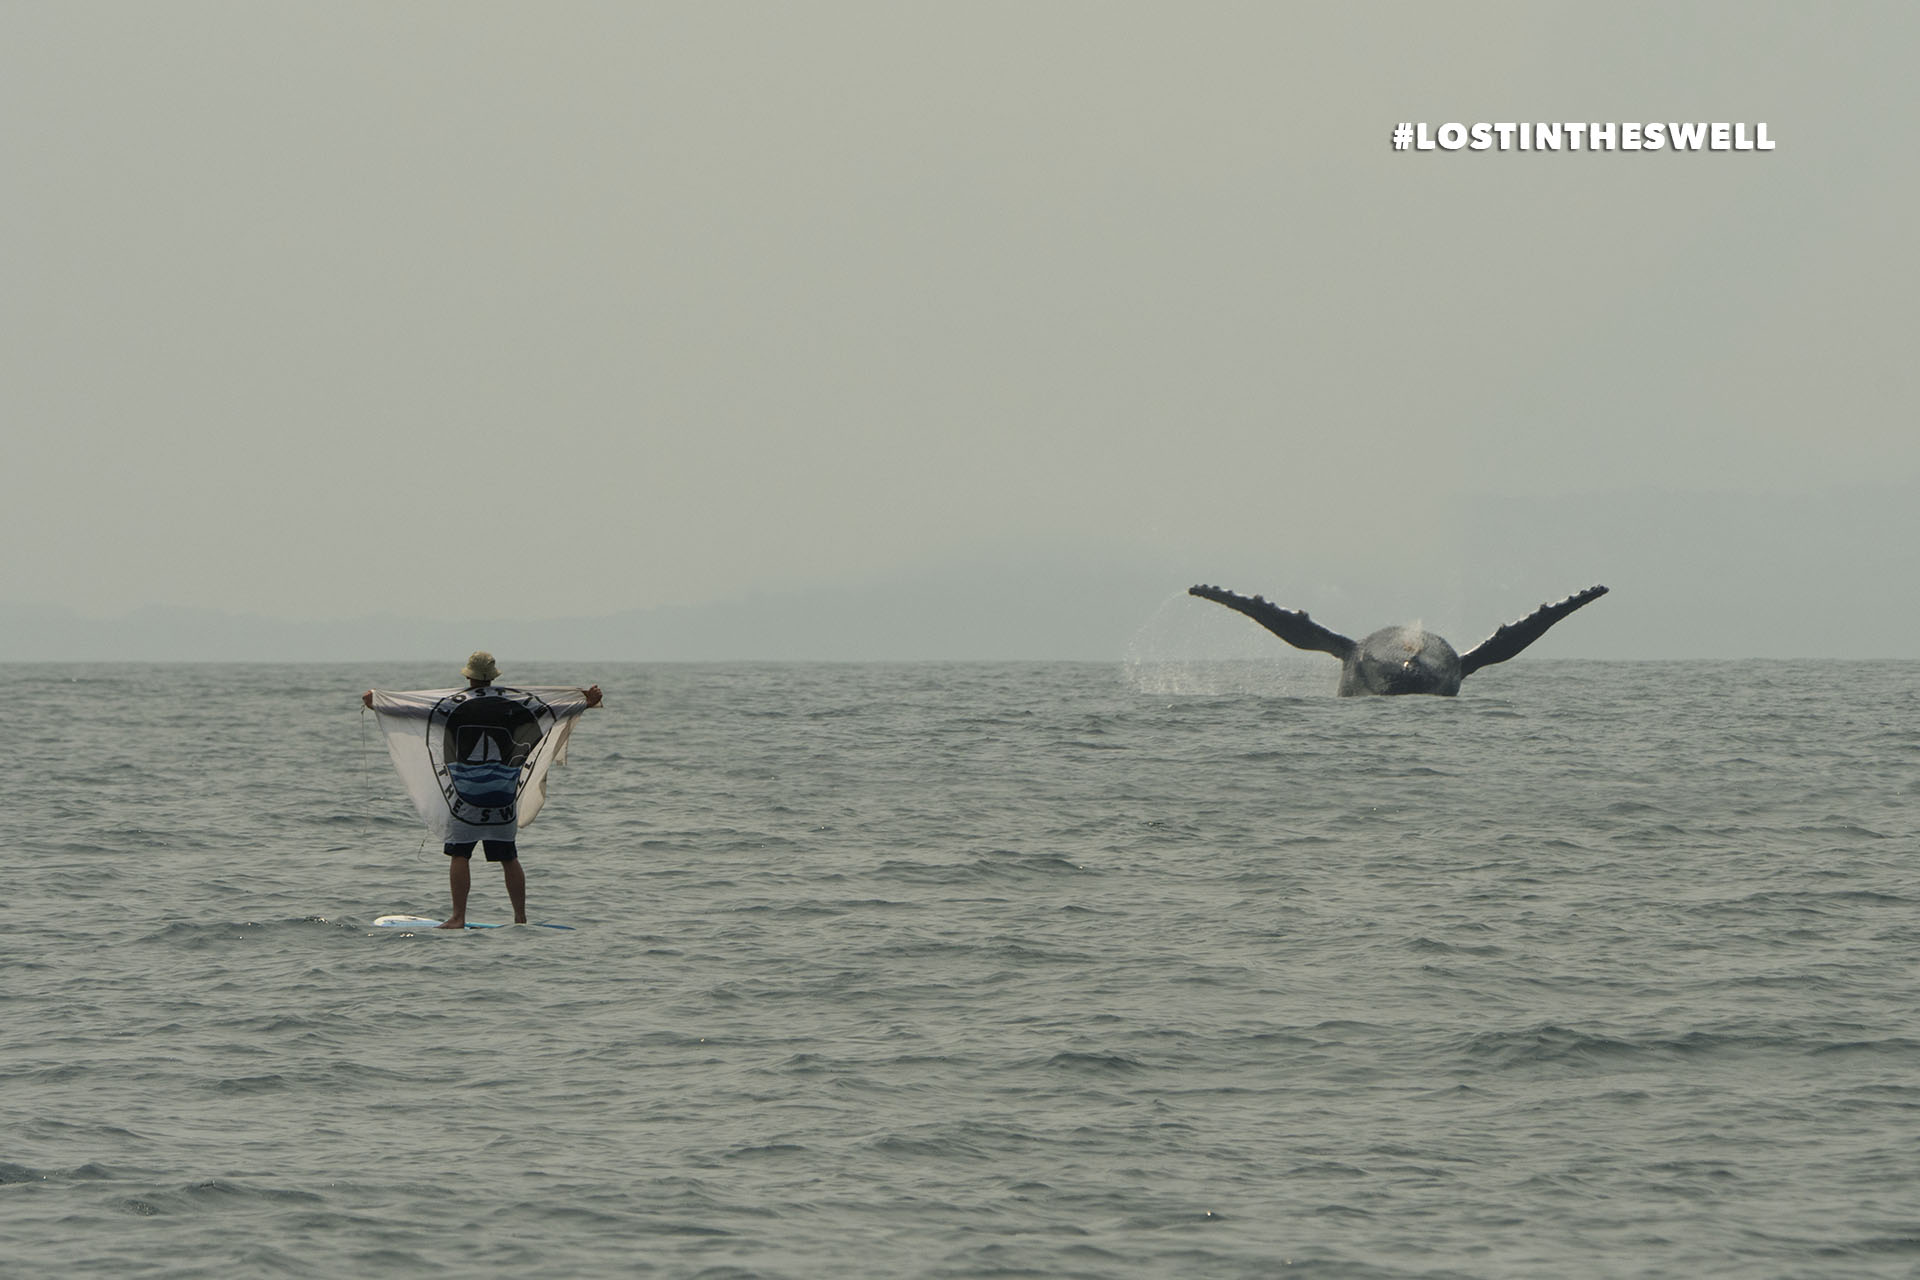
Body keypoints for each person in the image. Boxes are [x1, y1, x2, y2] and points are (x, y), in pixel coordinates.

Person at [364, 651, 602, 928]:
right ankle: (520, 919)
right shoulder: (515, 709)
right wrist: (586, 701)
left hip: (466, 798)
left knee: (460, 854)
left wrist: (377, 703)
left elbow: (411, 711)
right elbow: (555, 710)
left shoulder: (451, 708)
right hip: (503, 798)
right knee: (509, 856)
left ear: (468, 676)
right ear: (492, 678)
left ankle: (458, 917)